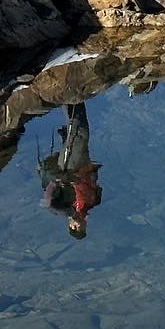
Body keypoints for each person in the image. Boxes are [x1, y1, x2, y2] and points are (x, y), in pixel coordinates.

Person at [38, 102, 101, 239]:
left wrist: (60, 180)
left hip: (71, 166)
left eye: (78, 227)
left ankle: (70, 97)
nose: (81, 225)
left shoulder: (64, 209)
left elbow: (48, 200)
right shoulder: (87, 207)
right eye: (83, 227)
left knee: (79, 130)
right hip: (82, 164)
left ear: (71, 225)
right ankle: (74, 98)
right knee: (81, 131)